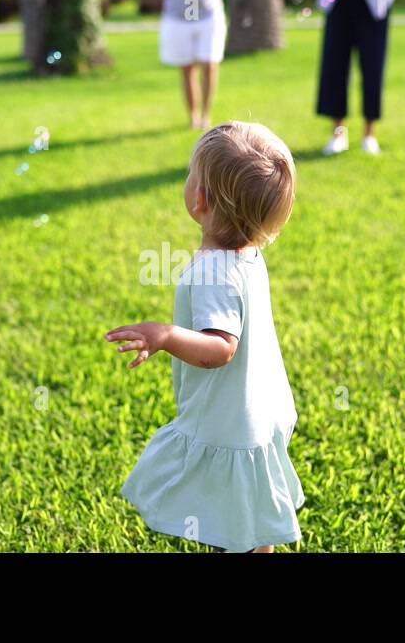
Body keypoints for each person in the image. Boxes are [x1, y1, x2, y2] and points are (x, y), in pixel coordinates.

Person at [106, 122, 304, 553]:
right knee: (247, 515)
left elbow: (221, 348)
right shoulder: (249, 254)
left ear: (199, 200)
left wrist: (167, 335)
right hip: (255, 407)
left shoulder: (215, 270)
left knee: (228, 522)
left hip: (228, 419)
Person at [316, 0, 395, 156]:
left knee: (373, 68)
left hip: (373, 3)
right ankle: (339, 135)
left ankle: (369, 135)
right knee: (335, 69)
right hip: (339, 0)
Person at [159, 0, 227, 130]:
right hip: (178, 16)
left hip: (208, 13)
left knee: (209, 65)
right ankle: (193, 116)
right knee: (187, 68)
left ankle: (206, 115)